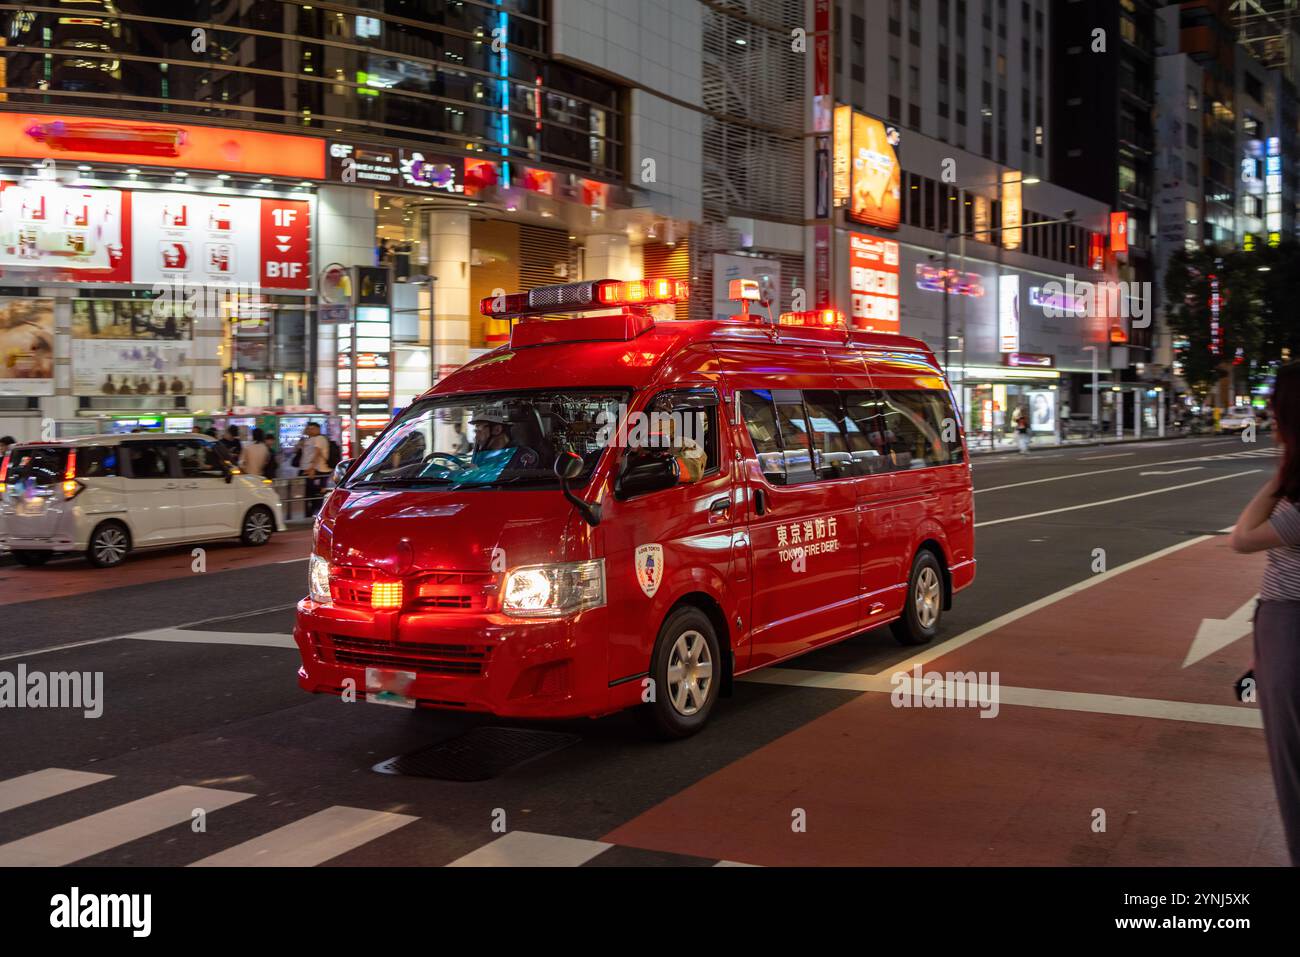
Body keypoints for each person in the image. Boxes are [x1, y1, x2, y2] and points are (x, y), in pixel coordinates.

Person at [1231, 360, 1300, 865]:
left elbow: (1241, 539)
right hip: (1280, 630)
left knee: (1291, 767)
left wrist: (1283, 473)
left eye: (1275, 413)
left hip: (1290, 628)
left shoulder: (1296, 505)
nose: (1270, 422)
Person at [297, 421, 330, 515]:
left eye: (312, 429)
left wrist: (311, 468)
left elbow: (317, 453)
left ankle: (314, 513)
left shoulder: (319, 438)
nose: (310, 431)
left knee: (316, 493)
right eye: (309, 429)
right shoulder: (311, 439)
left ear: (318, 429)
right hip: (316, 469)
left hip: (320, 470)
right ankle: (311, 513)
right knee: (311, 493)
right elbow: (298, 447)